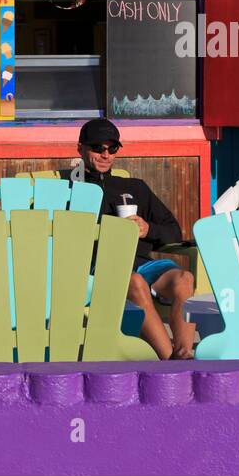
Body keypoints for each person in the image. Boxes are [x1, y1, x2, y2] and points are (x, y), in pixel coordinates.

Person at [63, 118, 197, 359]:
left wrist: (148, 229)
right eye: (98, 148)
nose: (105, 155)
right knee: (135, 281)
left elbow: (173, 231)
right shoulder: (71, 190)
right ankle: (172, 361)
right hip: (101, 268)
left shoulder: (135, 187)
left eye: (112, 149)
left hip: (144, 263)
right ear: (80, 149)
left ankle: (184, 352)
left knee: (184, 278)